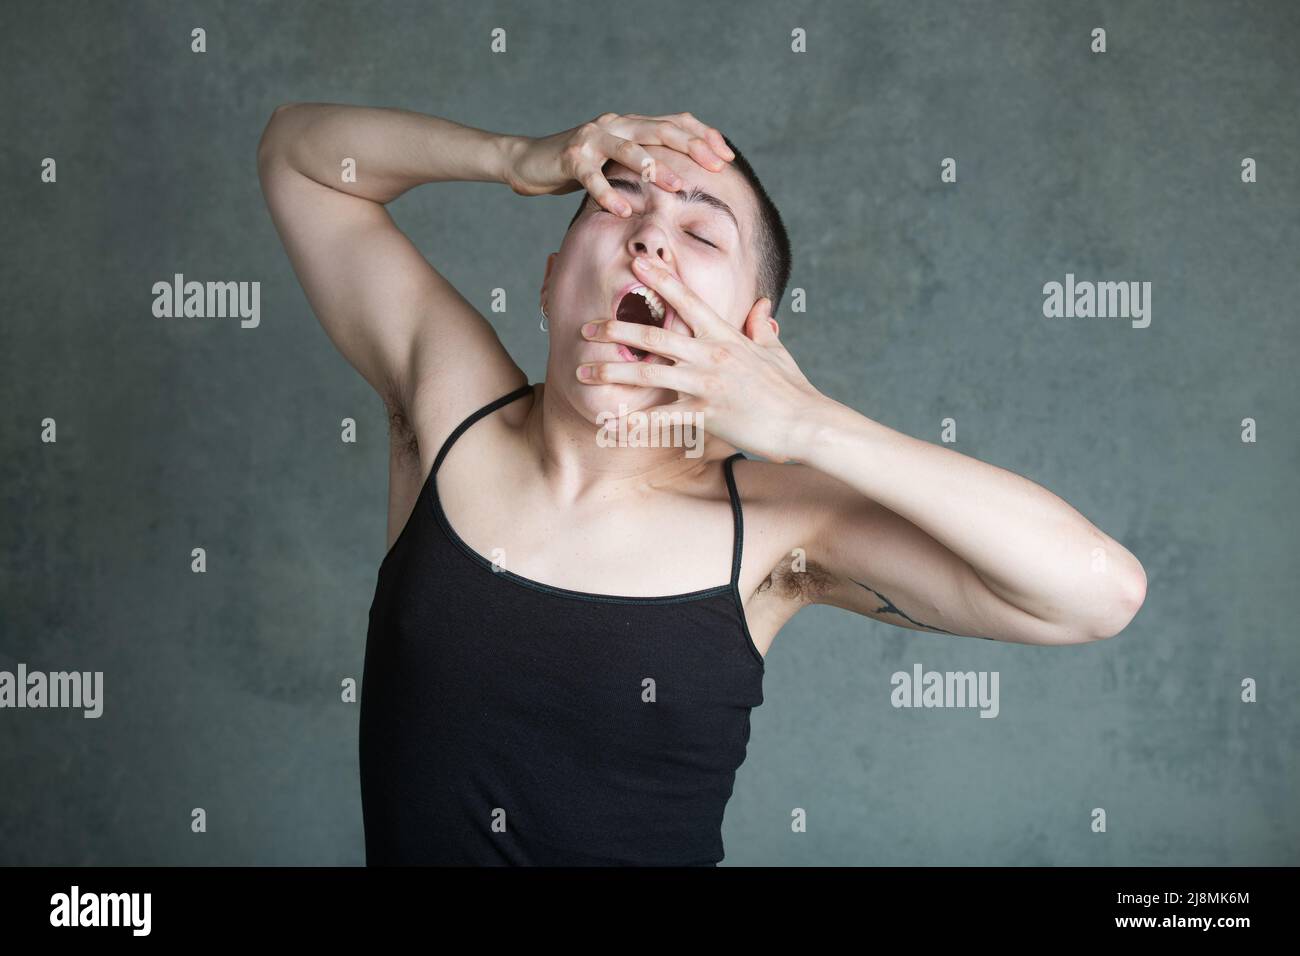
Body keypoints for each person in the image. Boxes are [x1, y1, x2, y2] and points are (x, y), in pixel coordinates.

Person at [256, 106, 1147, 865]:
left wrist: (804, 422)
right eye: (614, 204)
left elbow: (1096, 594)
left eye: (700, 231)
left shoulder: (777, 532)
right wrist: (514, 159)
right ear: (550, 280)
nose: (648, 235)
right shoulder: (449, 404)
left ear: (753, 330)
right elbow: (303, 160)